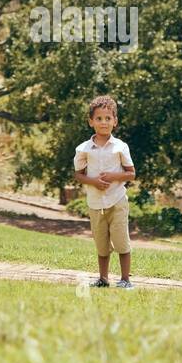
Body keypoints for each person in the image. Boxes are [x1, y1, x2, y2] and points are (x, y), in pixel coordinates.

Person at [73, 95, 136, 288]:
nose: (104, 122)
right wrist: (93, 181)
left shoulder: (120, 147)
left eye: (108, 118)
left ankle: (125, 280)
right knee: (101, 243)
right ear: (91, 121)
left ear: (115, 122)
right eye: (99, 118)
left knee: (121, 241)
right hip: (95, 202)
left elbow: (131, 174)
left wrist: (112, 176)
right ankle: (103, 279)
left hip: (117, 201)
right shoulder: (84, 149)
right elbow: (79, 175)